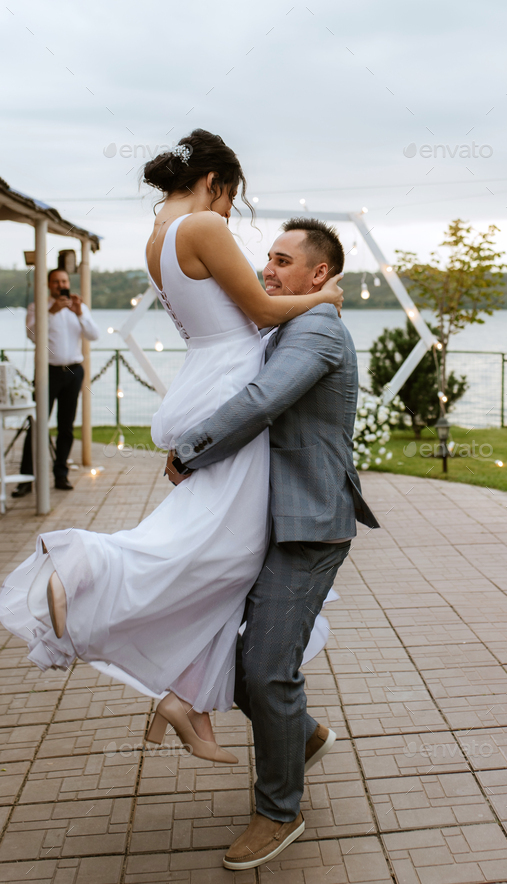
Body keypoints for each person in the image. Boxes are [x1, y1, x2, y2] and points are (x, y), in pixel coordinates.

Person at [0, 129, 344, 766]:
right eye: (230, 202)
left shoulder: (159, 236)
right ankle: (80, 570)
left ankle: (187, 696)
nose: (229, 217)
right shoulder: (200, 228)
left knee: (228, 555)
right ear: (216, 184)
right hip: (234, 382)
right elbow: (265, 311)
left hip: (209, 376)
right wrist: (324, 296)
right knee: (227, 552)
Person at [167, 217, 379, 871]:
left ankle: (279, 812)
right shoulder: (291, 319)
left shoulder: (315, 327)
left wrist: (189, 451)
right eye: (268, 257)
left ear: (320, 274)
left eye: (283, 261)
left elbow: (262, 401)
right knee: (240, 651)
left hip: (310, 524)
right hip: (267, 521)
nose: (268, 269)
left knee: (265, 668)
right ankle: (304, 733)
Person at [12, 268, 99, 496]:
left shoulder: (79, 307)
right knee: (37, 424)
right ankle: (26, 478)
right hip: (47, 373)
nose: (60, 285)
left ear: (68, 283)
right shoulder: (38, 307)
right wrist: (51, 311)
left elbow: (94, 334)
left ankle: (61, 474)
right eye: (56, 281)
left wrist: (80, 313)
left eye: (64, 281)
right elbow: (32, 335)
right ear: (48, 285)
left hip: (73, 372)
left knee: (66, 426)